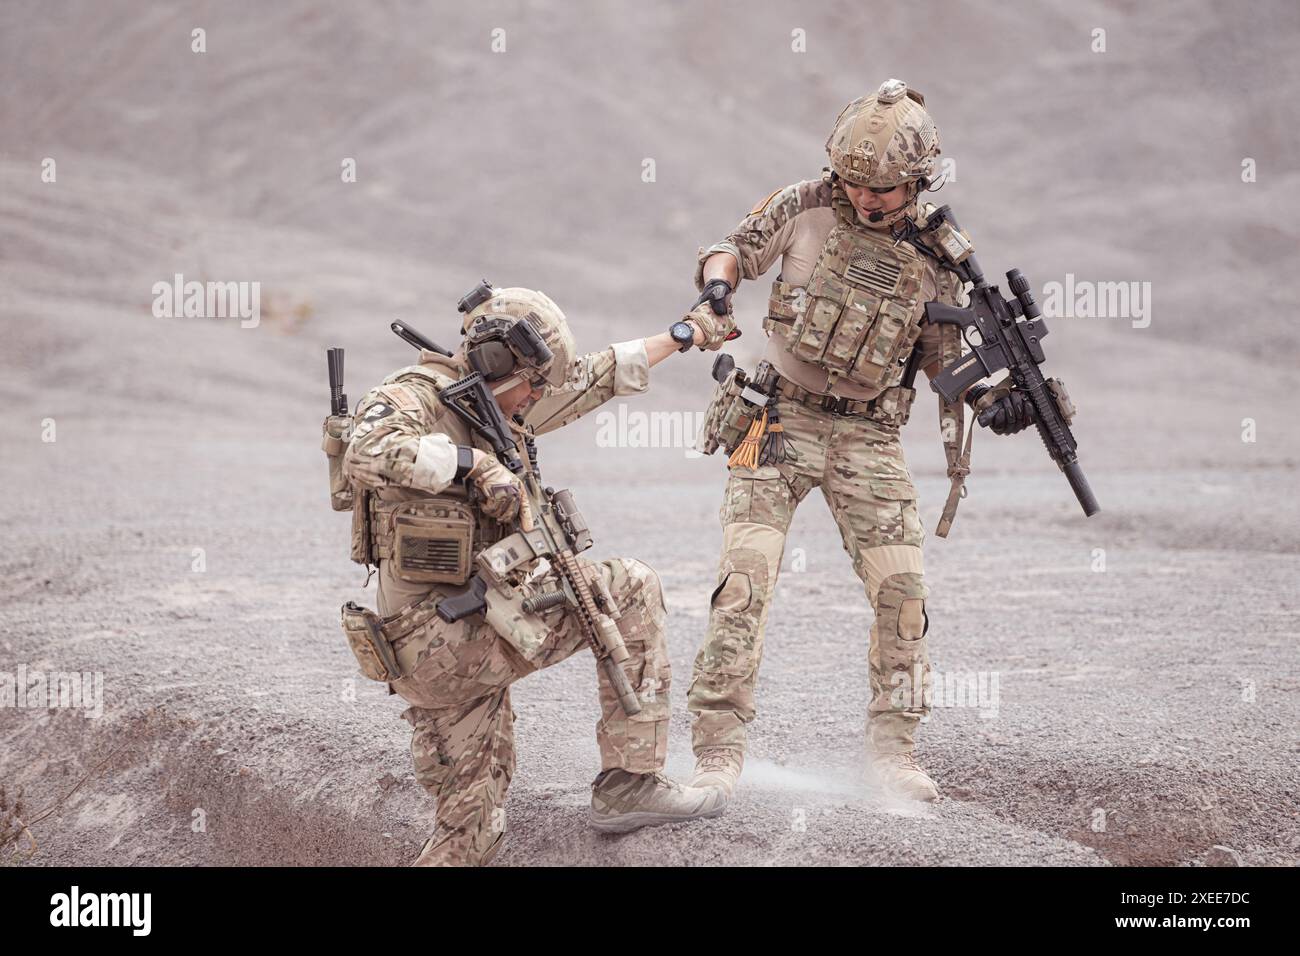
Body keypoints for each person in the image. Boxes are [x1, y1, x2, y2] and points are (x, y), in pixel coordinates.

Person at [683, 79, 1033, 804]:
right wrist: (718, 291)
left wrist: (994, 403)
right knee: (742, 583)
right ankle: (717, 752)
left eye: (886, 188)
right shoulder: (805, 205)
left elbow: (945, 361)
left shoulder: (939, 253)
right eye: (855, 182)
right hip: (770, 418)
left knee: (903, 593)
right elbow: (729, 250)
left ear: (919, 179)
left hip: (870, 435)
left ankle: (893, 753)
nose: (867, 198)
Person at [338, 283, 735, 865]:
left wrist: (686, 335)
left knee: (470, 839)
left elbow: (591, 378)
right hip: (445, 641)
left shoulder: (494, 401)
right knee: (629, 585)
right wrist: (473, 465)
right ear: (499, 363)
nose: (539, 397)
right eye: (534, 383)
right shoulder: (415, 398)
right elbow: (365, 449)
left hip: (445, 647)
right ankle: (632, 785)